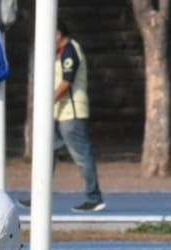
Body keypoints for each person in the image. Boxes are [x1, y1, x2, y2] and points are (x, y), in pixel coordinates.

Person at [53, 25, 103, 213]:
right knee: (46, 154)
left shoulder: (70, 51)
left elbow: (67, 81)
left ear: (59, 34)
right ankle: (39, 195)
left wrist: (48, 100)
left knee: (82, 156)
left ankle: (94, 197)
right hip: (58, 112)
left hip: (71, 113)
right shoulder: (58, 52)